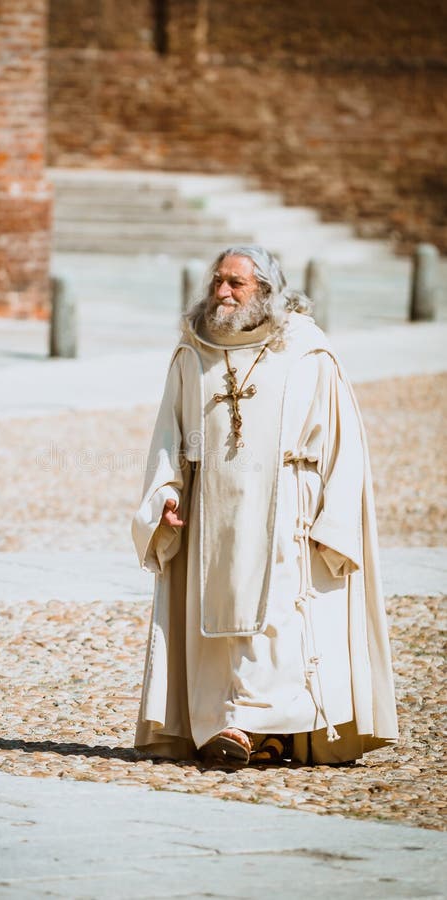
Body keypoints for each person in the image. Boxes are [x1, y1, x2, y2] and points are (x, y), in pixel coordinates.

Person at [131, 244, 398, 766]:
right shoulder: (193, 351)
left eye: (236, 284)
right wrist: (166, 494)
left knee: (278, 619)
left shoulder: (306, 351)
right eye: (218, 282)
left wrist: (335, 516)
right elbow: (168, 434)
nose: (222, 293)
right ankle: (226, 724)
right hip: (212, 513)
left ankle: (263, 725)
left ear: (267, 292)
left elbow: (344, 444)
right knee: (217, 624)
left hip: (287, 515)